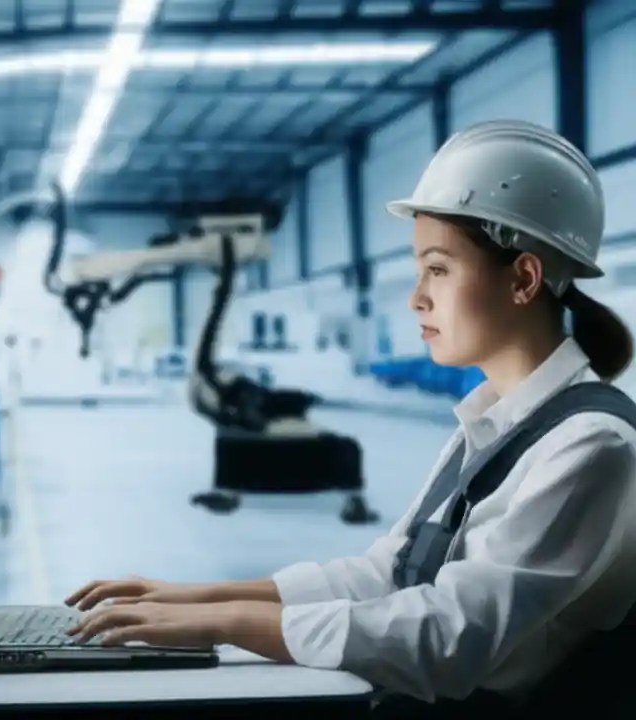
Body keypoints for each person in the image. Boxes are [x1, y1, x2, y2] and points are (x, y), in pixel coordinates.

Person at [63, 120, 636, 717]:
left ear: (522, 279)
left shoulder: (590, 446)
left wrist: (224, 623)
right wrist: (190, 598)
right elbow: (387, 572)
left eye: (437, 269)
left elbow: (446, 640)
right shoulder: (496, 426)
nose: (416, 297)